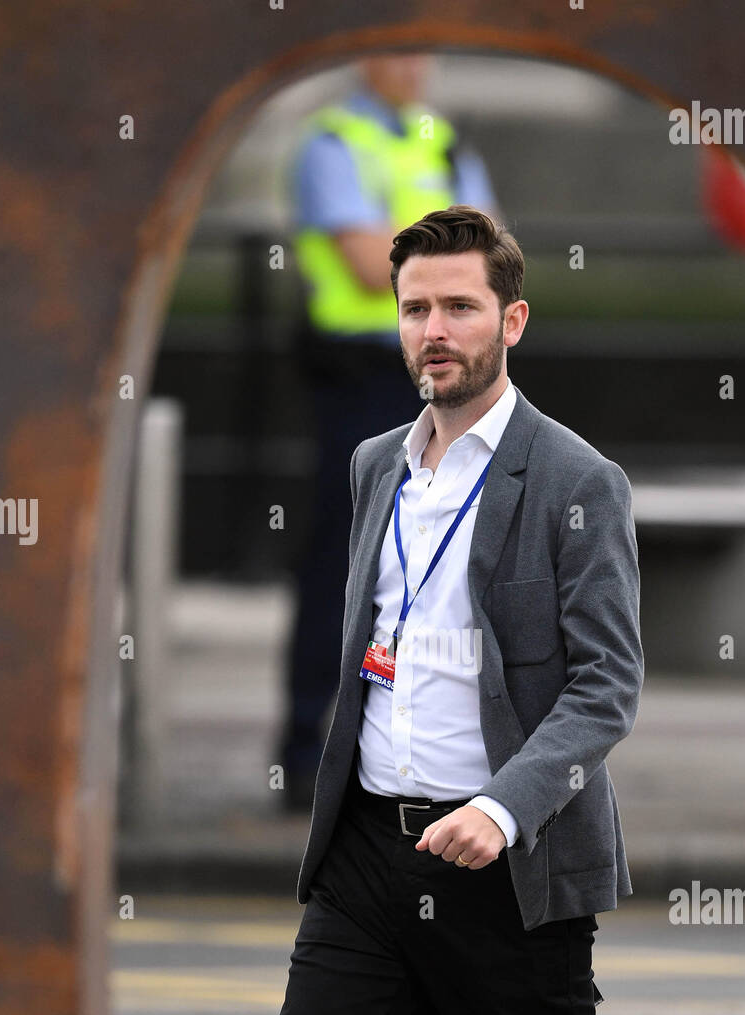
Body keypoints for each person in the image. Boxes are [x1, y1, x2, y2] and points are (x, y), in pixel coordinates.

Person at [192, 205, 663, 1015]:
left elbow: (604, 688)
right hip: (365, 863)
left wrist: (499, 809)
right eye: (414, 309)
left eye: (457, 306)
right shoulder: (375, 466)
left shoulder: (574, 481)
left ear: (511, 319)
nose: (433, 329)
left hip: (502, 871)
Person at [279, 55, 499, 809]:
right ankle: (307, 748)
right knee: (347, 561)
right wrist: (451, 262)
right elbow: (373, 268)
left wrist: (419, 254)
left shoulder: (443, 142)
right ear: (368, 54)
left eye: (424, 50)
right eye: (398, 48)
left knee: (452, 562)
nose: (414, 66)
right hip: (363, 379)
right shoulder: (334, 143)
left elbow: (492, 264)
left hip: (451, 382)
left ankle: (434, 752)